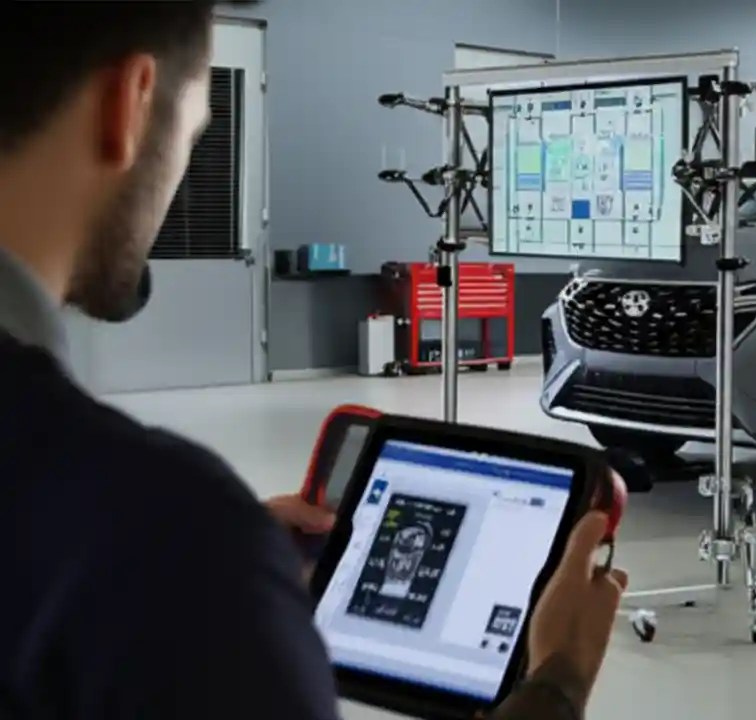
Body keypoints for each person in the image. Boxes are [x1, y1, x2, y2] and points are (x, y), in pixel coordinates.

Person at [0, 3, 627, 719]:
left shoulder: (143, 543)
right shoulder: (165, 533)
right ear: (129, 104)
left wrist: (219, 569)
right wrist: (556, 683)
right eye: (196, 128)